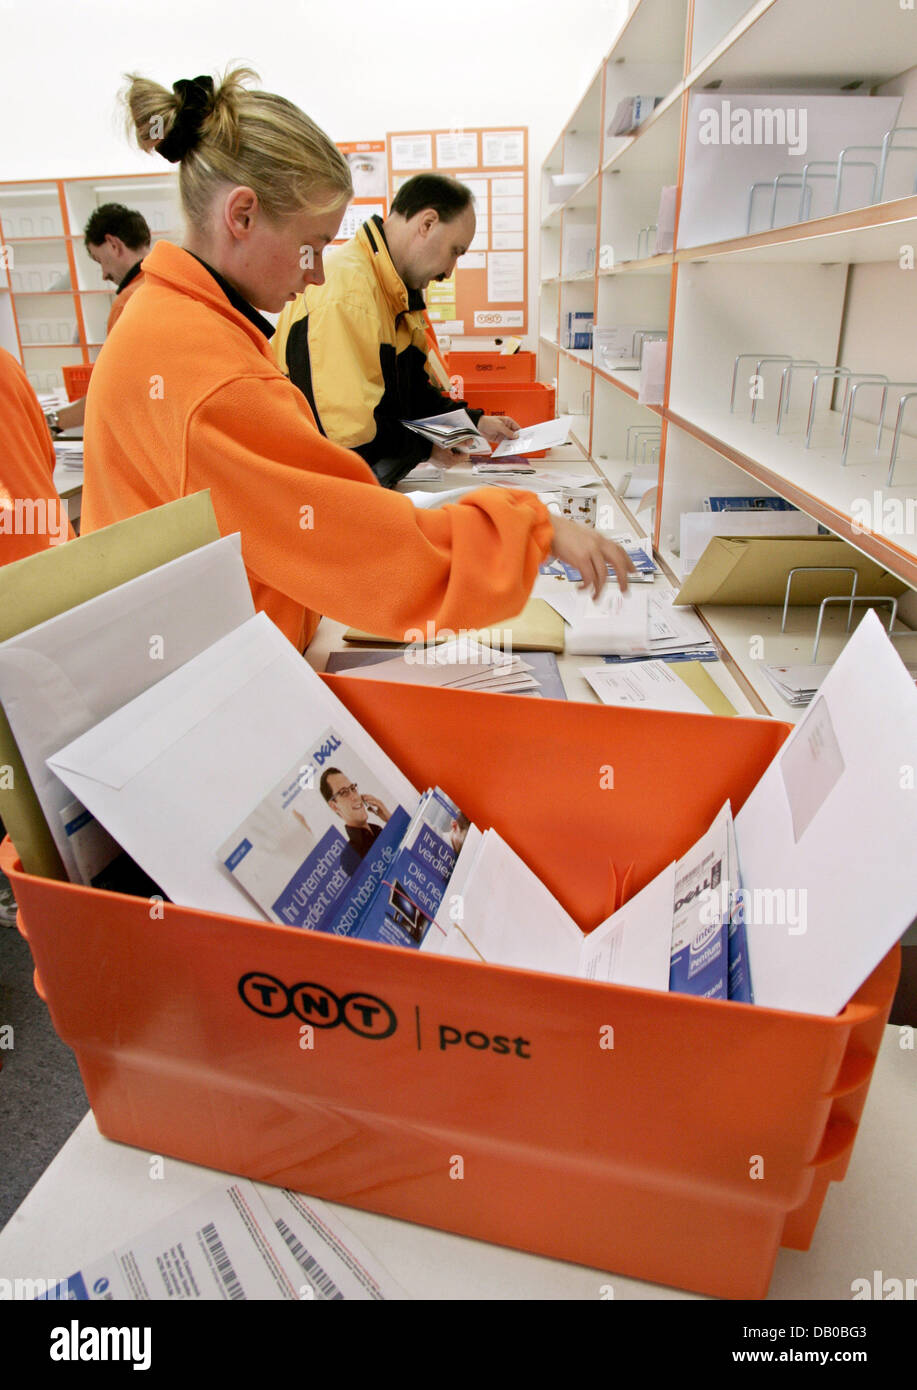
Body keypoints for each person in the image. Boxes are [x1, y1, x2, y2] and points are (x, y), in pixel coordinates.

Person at [80, 68, 631, 656]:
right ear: (241, 216)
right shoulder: (207, 368)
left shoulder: (173, 321)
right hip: (201, 682)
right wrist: (530, 530)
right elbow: (368, 549)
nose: (316, 272)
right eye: (312, 245)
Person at [272, 173, 521, 487]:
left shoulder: (395, 292)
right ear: (427, 224)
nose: (449, 271)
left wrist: (474, 423)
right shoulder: (348, 293)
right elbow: (348, 438)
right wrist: (426, 448)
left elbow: (411, 391)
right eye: (455, 251)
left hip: (362, 485)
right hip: (319, 491)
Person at [48, 203, 152, 435]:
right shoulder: (174, 284)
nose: (104, 274)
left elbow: (114, 391)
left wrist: (53, 421)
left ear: (113, 244)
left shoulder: (129, 301)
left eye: (99, 261)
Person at [320, 768, 390, 858]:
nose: (355, 797)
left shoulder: (377, 829)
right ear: (334, 806)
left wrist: (389, 818)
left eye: (353, 788)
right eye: (344, 792)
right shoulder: (349, 857)